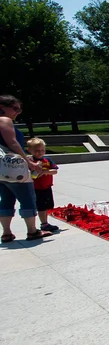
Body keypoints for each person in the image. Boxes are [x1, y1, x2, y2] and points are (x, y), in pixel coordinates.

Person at [0, 95, 46, 242]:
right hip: (14, 167)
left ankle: (6, 232)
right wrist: (29, 162)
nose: (18, 112)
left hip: (2, 170)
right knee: (27, 198)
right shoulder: (4, 120)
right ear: (2, 107)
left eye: (19, 109)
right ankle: (32, 231)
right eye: (15, 108)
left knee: (6, 200)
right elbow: (12, 143)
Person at [26, 138, 59, 233]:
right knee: (40, 206)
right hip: (36, 188)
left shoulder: (47, 160)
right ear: (29, 150)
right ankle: (43, 223)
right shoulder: (29, 161)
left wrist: (45, 171)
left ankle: (45, 222)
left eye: (42, 150)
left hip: (47, 186)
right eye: (37, 151)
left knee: (47, 205)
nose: (40, 153)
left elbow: (55, 171)